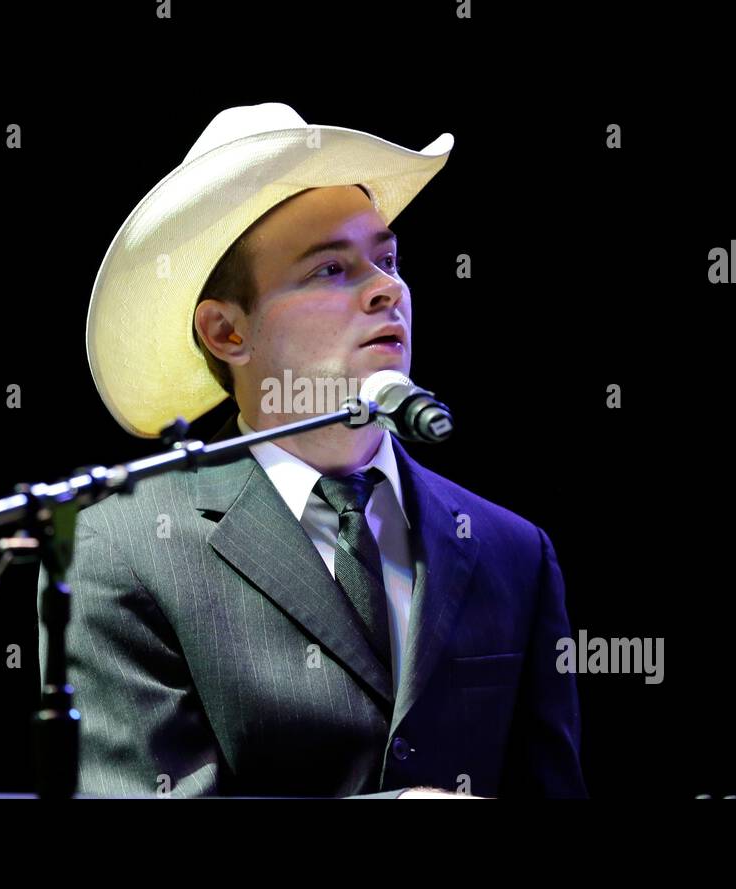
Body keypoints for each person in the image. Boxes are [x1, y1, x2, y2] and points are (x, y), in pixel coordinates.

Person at [44, 103, 587, 798]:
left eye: (387, 259)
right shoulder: (120, 545)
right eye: (331, 269)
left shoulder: (515, 550)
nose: (387, 289)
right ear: (226, 332)